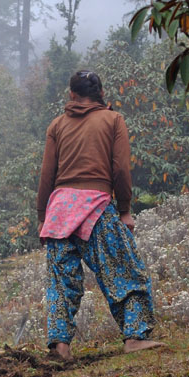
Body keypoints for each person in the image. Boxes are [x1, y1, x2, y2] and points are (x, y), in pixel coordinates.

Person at [36, 70, 163, 361]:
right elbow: (120, 169)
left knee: (61, 283)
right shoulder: (112, 119)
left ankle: (60, 347)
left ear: (72, 95)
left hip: (59, 212)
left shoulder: (56, 125)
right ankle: (134, 337)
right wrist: (125, 210)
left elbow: (47, 175)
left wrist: (43, 216)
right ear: (101, 93)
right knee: (126, 272)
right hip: (95, 208)